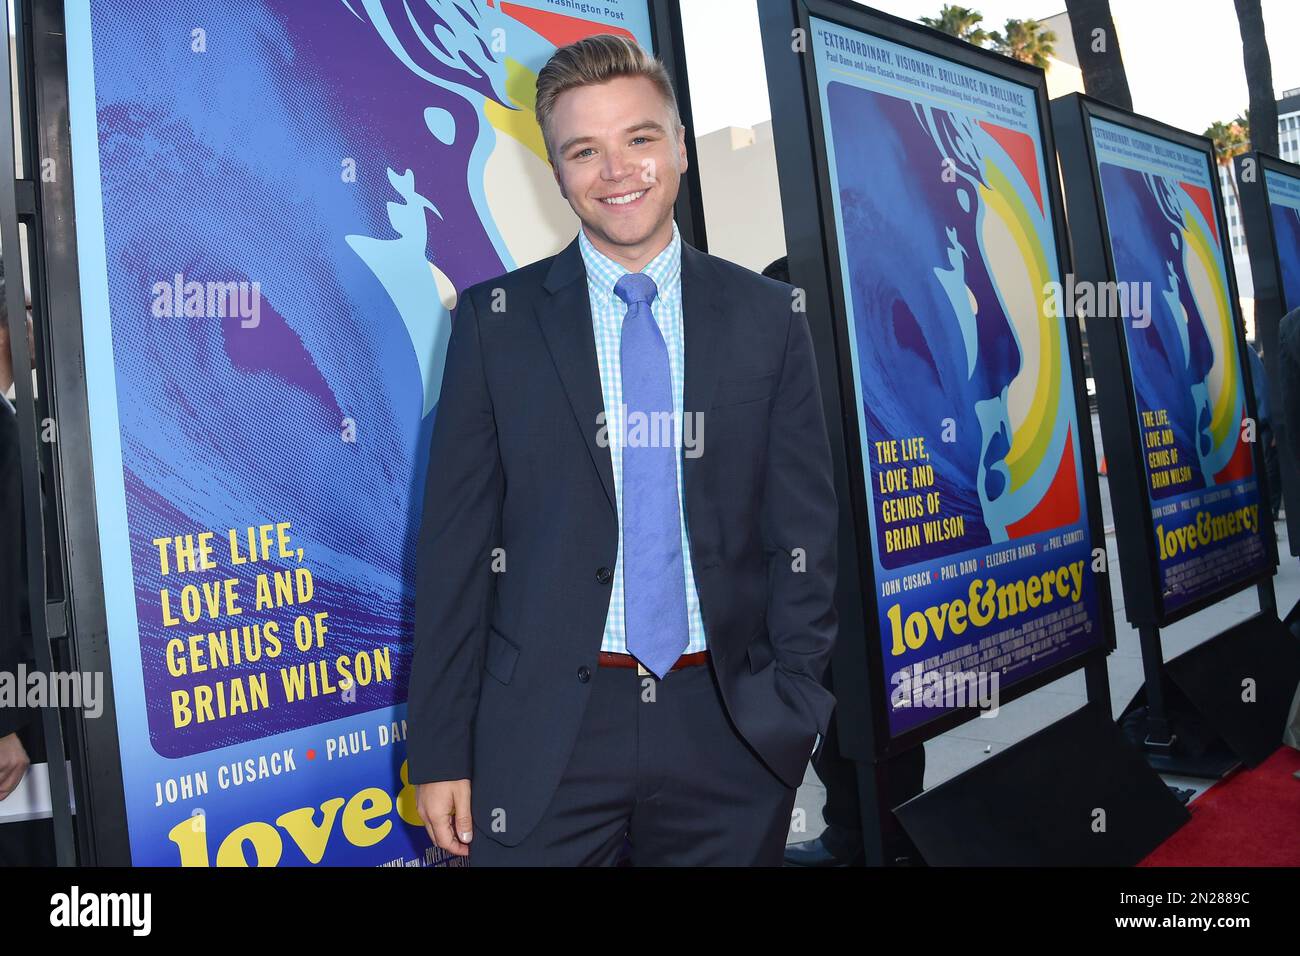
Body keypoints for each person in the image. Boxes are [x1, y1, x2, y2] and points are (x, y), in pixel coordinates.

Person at [406, 34, 838, 866]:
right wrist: (441, 749)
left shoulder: (766, 317)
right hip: (540, 735)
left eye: (639, 138)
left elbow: (805, 533)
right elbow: (456, 550)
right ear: (557, 172)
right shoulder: (495, 324)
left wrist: (794, 703)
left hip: (729, 725)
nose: (618, 170)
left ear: (678, 146)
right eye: (584, 151)